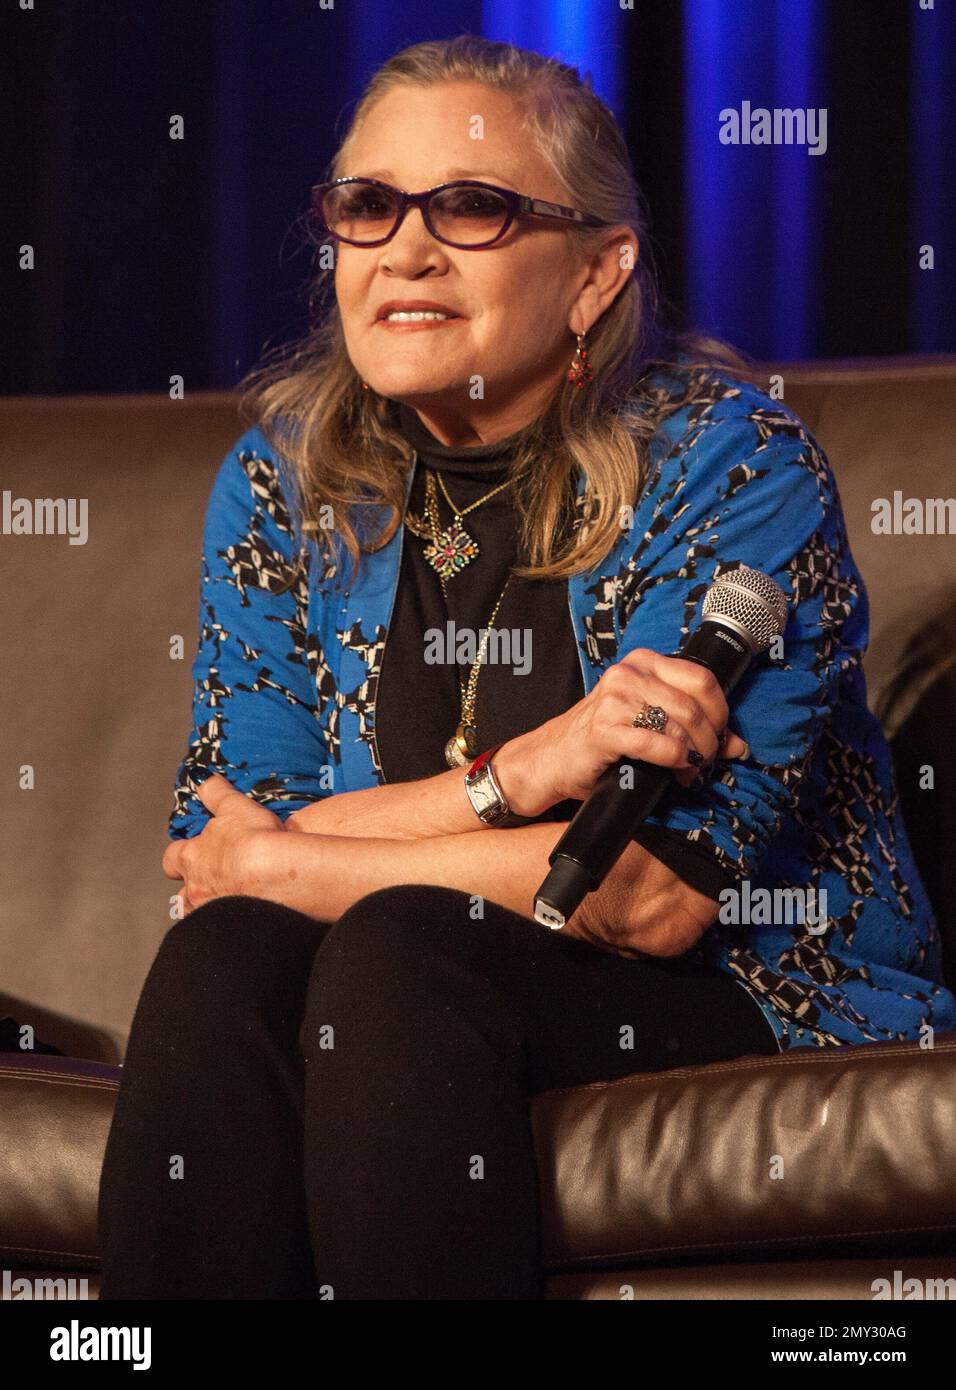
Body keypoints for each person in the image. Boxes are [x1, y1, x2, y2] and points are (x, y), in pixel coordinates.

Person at [97, 35, 956, 1302]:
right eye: (368, 205)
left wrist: (294, 862)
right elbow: (219, 862)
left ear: (597, 271)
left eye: (474, 207)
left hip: (746, 985)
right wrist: (525, 772)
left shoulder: (732, 466)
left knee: (397, 945)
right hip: (424, 986)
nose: (405, 249)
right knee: (227, 966)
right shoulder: (288, 486)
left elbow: (645, 891)